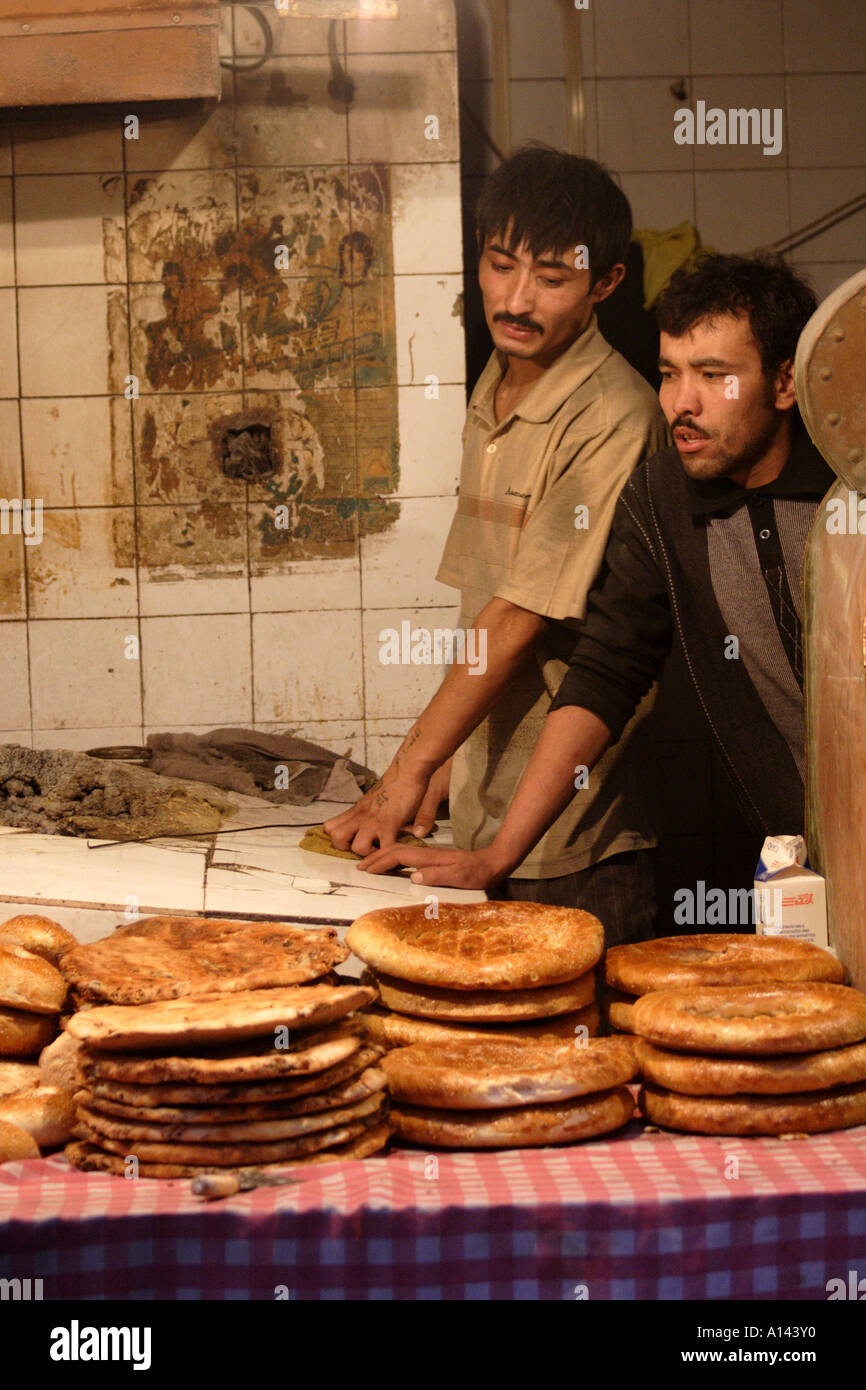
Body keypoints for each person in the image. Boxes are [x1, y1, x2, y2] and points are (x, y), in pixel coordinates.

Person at [356, 253, 834, 900]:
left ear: (785, 384)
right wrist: (498, 856)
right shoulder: (660, 498)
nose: (680, 403)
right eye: (669, 374)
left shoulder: (846, 491)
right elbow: (608, 671)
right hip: (791, 853)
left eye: (714, 375)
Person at [324, 144, 669, 944]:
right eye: (500, 263)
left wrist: (408, 766)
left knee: (578, 1059)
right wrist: (436, 779)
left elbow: (518, 620)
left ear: (604, 284)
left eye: (551, 278)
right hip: (486, 826)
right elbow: (483, 601)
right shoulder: (499, 380)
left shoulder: (614, 415)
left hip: (575, 844)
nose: (515, 298)